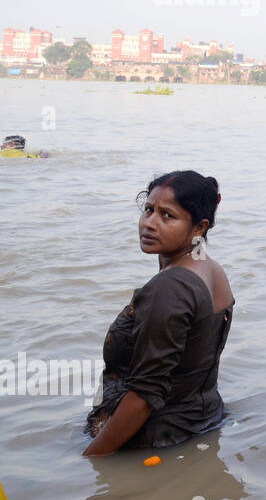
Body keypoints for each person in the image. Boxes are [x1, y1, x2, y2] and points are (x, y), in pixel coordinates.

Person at [83, 171, 233, 454]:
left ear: (199, 227)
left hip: (151, 439)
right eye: (149, 210)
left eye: (168, 216)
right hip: (201, 422)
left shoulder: (170, 287)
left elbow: (144, 396)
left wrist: (92, 458)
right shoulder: (211, 270)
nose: (150, 223)